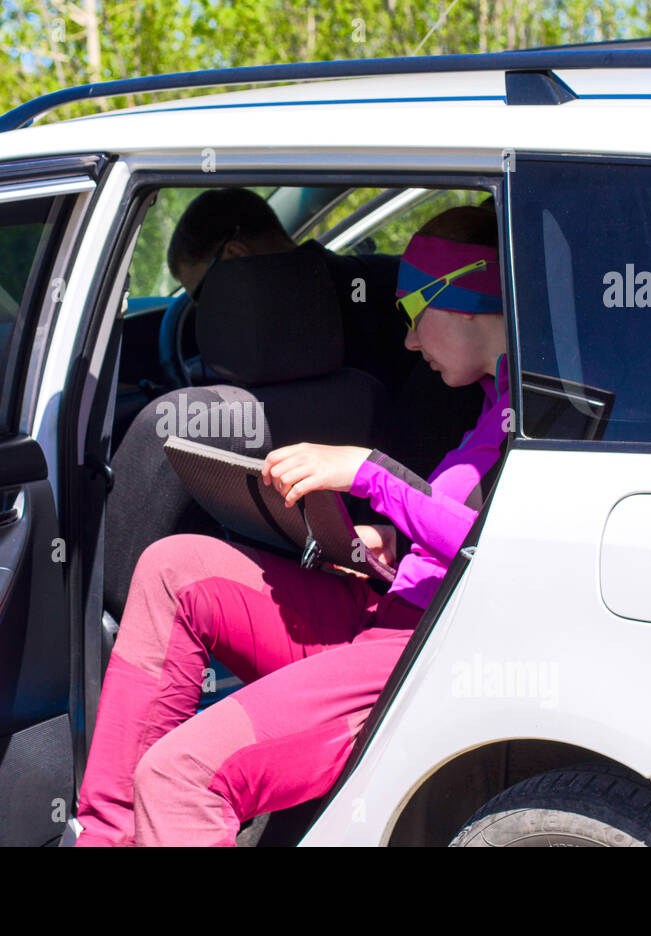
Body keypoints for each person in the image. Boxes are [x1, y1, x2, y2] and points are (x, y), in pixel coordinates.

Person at [71, 205, 510, 846]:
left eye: (414, 312)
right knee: (174, 565)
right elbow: (458, 525)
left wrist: (367, 473)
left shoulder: (543, 418)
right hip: (384, 609)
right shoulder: (489, 406)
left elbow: (502, 548)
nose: (410, 341)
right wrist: (388, 543)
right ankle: (106, 836)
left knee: (179, 775)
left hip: (424, 648)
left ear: (468, 298)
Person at [167, 187, 417, 395]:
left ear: (236, 254)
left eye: (203, 294)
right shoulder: (392, 280)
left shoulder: (267, 352)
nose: (207, 311)